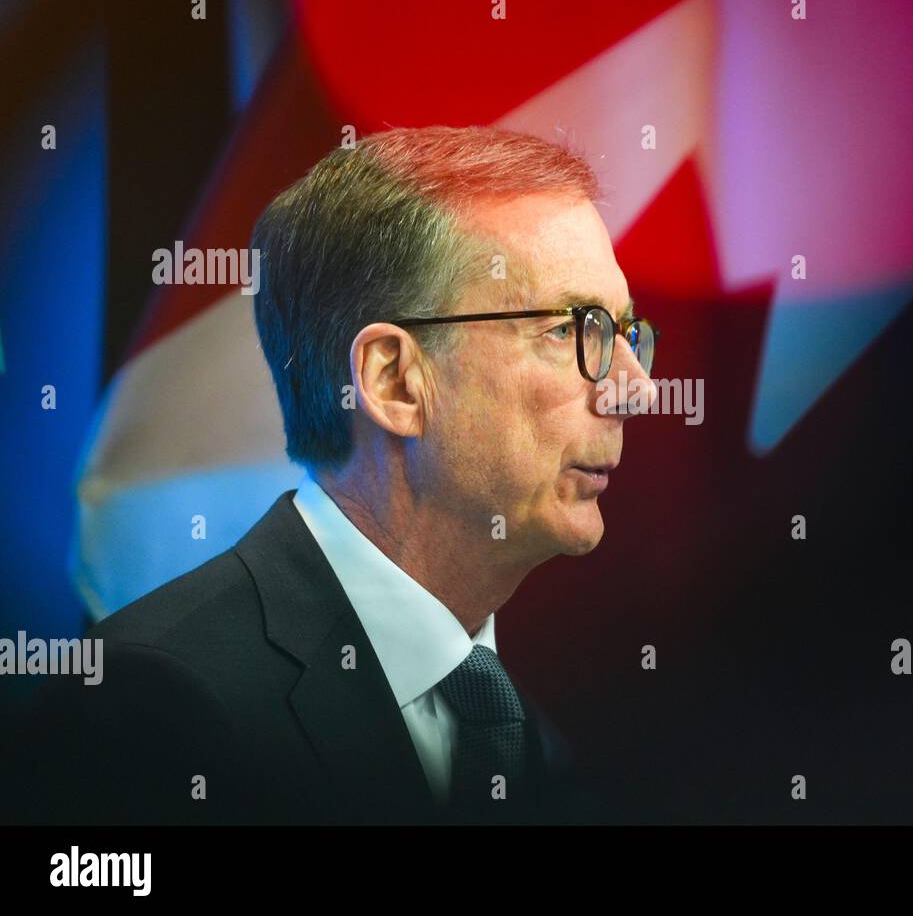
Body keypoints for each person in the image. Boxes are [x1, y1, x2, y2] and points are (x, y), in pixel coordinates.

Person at [1, 125, 659, 824]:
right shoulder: (145, 710)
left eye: (626, 331)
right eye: (570, 330)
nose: (637, 388)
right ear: (395, 381)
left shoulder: (531, 750)